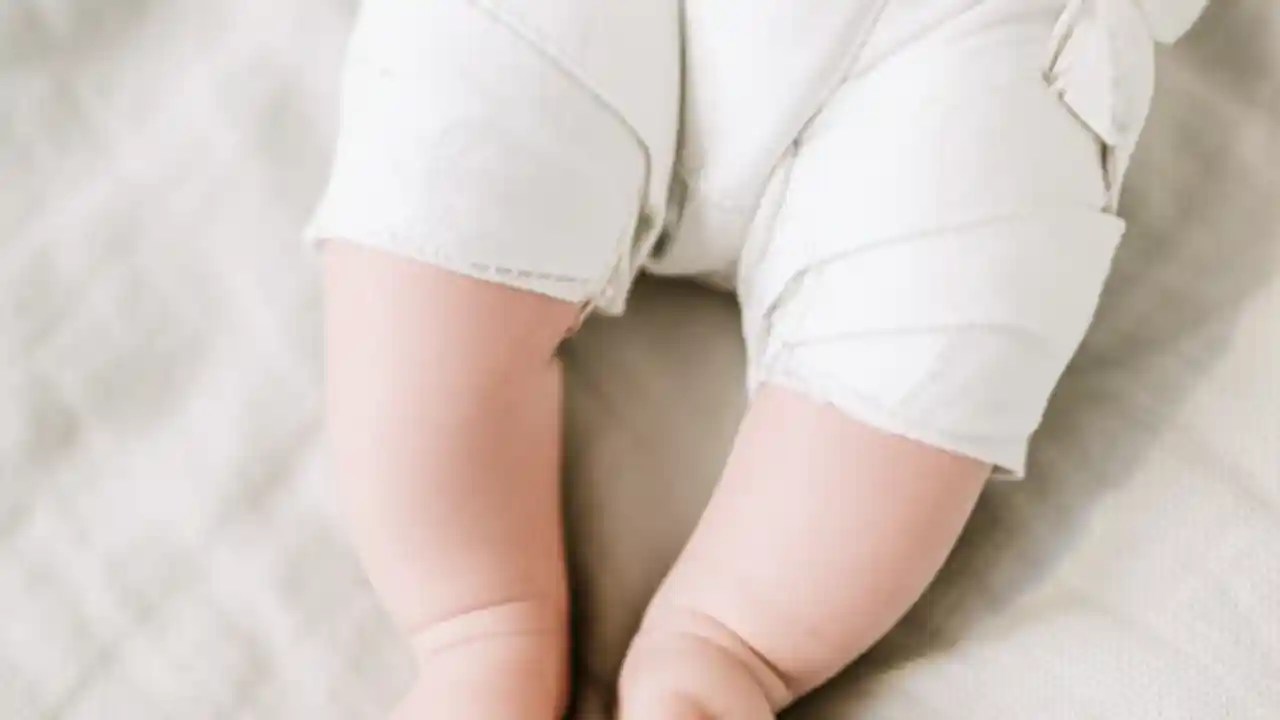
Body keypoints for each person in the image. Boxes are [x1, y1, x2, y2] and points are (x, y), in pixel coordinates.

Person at [308, 0, 1207, 716]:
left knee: (961, 279)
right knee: (439, 186)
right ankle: (475, 622)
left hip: (970, 43)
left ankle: (724, 652)